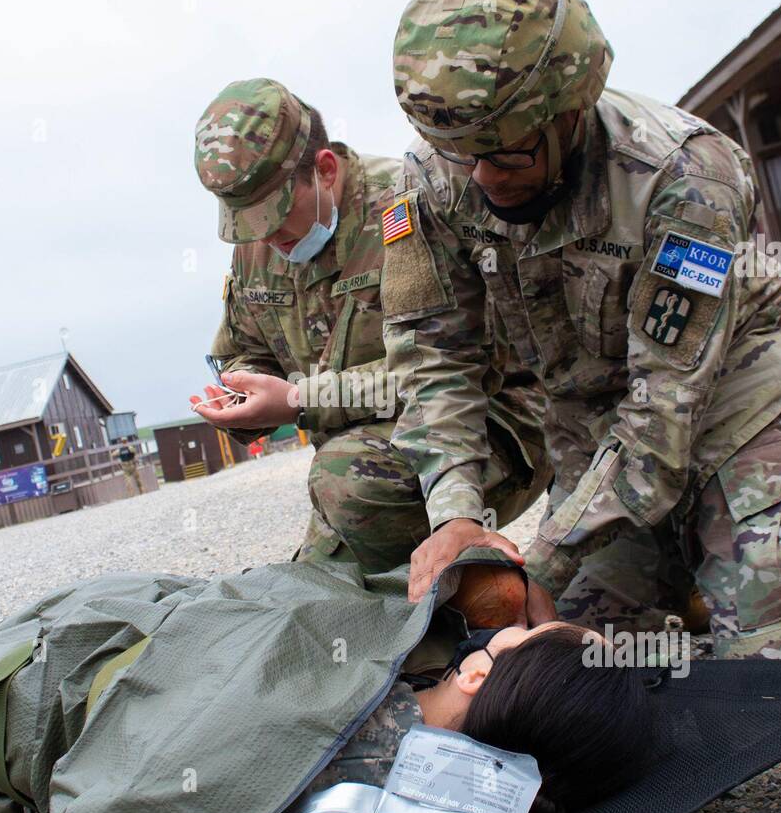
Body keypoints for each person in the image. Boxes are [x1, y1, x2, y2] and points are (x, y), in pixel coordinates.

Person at [378, 0, 781, 658]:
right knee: (563, 652)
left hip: (732, 407)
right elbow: (434, 361)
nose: (481, 178)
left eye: (507, 153)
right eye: (459, 153)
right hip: (599, 437)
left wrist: (545, 556)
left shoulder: (686, 177)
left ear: (570, 107)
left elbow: (666, 411)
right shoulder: (429, 184)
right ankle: (710, 564)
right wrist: (453, 515)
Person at [0, 558, 654, 813]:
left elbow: (117, 794)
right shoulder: (458, 762)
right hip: (179, 640)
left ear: (481, 672)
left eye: (524, 633)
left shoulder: (372, 727)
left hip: (89, 692)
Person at [189, 78, 552, 573]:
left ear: (325, 169)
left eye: (275, 216)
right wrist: (243, 393)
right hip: (360, 456)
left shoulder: (408, 208)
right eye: (248, 225)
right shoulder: (259, 243)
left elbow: (453, 369)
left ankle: (454, 589)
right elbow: (244, 346)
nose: (267, 238)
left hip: (483, 427)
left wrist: (299, 400)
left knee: (347, 492)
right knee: (315, 584)